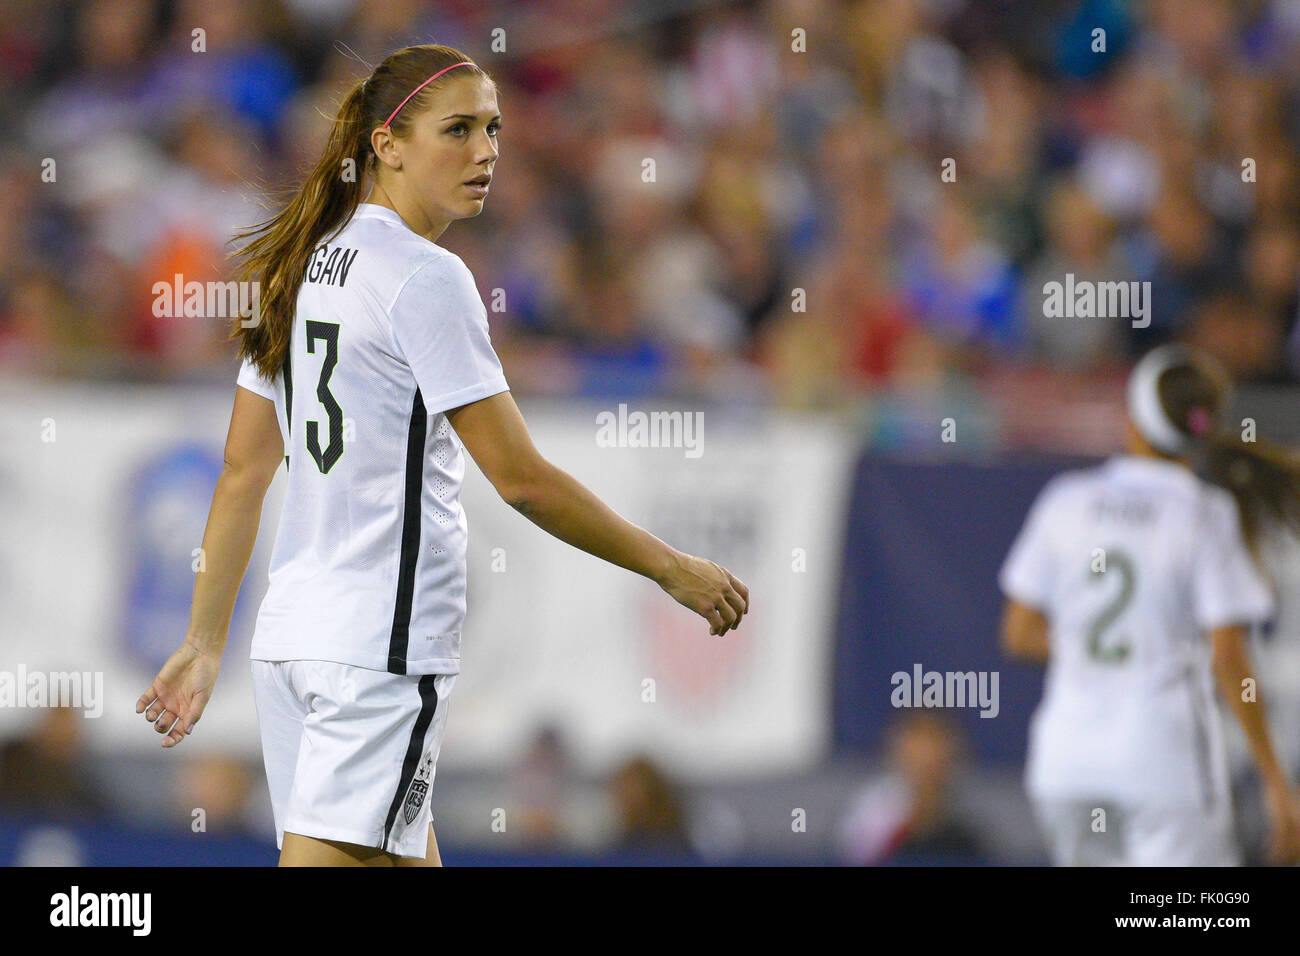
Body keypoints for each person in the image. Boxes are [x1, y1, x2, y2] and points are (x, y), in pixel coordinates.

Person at [133, 44, 749, 868]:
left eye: (493, 129)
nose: (486, 150)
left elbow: (245, 468)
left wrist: (206, 639)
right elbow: (523, 481)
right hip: (378, 651)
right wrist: (671, 567)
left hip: (293, 643)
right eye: (457, 129)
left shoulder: (301, 262)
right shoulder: (426, 278)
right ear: (386, 144)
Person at [1000, 344, 1300, 865]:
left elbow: (1019, 633)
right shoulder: (1203, 515)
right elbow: (1229, 657)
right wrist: (1275, 777)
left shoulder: (1064, 499)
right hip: (1161, 757)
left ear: (1132, 421)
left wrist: (1101, 649)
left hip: (1066, 760)